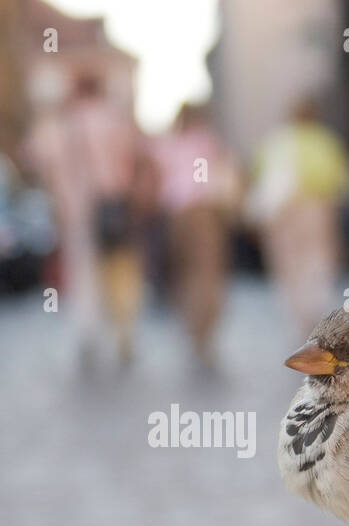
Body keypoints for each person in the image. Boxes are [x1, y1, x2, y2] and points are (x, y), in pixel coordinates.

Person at [26, 72, 151, 368]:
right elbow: (137, 157)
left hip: (79, 212)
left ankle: (89, 335)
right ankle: (124, 330)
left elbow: (36, 157)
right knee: (122, 272)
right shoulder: (117, 120)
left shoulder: (63, 125)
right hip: (117, 208)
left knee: (85, 277)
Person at [249, 98, 349, 338]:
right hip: (317, 208)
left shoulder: (276, 142)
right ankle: (315, 311)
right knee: (318, 261)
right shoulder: (325, 141)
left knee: (288, 266)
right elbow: (341, 182)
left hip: (283, 214)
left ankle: (299, 317)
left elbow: (259, 178)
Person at [151, 103, 240, 371]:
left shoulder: (168, 145)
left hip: (177, 214)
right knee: (208, 273)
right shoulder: (208, 140)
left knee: (186, 274)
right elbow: (226, 173)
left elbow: (159, 179)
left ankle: (194, 328)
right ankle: (205, 328)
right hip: (204, 211)